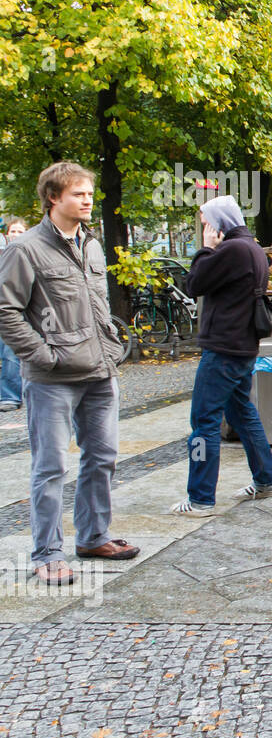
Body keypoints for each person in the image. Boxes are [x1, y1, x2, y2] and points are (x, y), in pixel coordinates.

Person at [0, 163, 135, 584]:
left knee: (103, 458)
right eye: (79, 193)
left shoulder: (91, 245)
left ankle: (94, 535)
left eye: (90, 193)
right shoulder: (26, 250)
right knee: (51, 467)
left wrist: (111, 345)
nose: (88, 200)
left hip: (99, 372)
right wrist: (42, 355)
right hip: (52, 378)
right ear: (54, 198)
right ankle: (46, 553)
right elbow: (6, 310)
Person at [169, 196, 272, 517]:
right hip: (242, 346)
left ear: (219, 223)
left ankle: (201, 498)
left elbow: (194, 283)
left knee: (203, 423)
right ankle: (266, 480)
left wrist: (206, 247)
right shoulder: (253, 248)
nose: (204, 229)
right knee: (243, 414)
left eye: (207, 223)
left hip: (223, 349)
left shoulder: (233, 250)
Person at [0, 218, 28, 410]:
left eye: (20, 231)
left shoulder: (28, 253)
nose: (16, 235)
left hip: (18, 309)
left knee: (11, 353)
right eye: (13, 231)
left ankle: (10, 396)